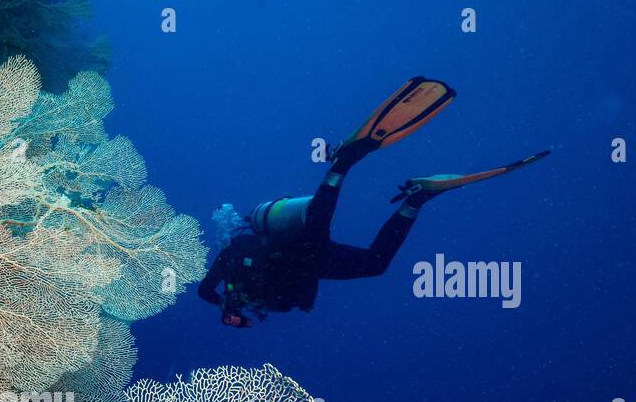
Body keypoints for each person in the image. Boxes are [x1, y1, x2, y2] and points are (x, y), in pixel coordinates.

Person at [198, 76, 549, 328]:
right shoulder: (250, 296)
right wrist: (237, 310)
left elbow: (204, 290)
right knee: (375, 264)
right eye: (240, 317)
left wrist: (222, 302)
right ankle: (417, 200)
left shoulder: (231, 263)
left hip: (293, 248)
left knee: (316, 224)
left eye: (237, 314)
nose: (241, 314)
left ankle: (342, 163)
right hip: (311, 264)